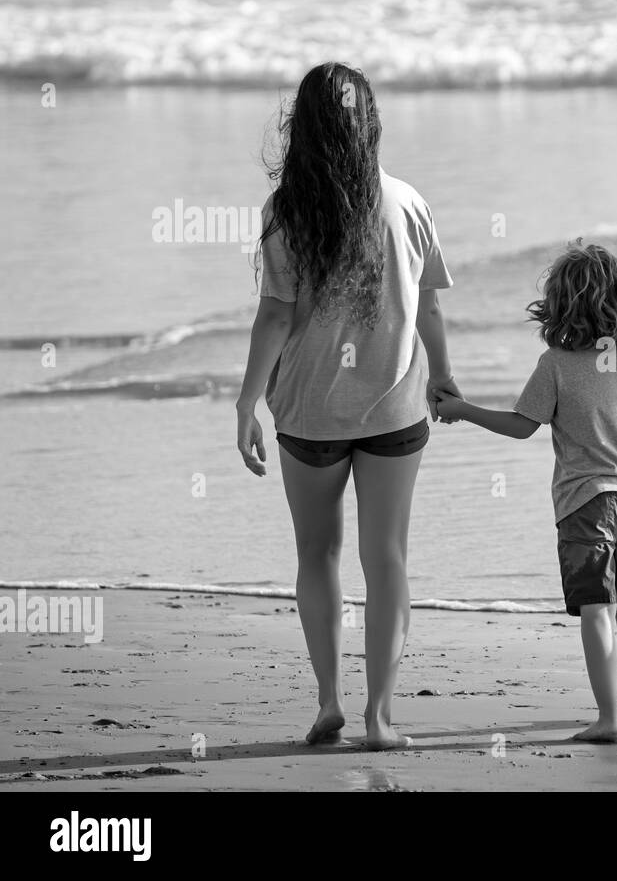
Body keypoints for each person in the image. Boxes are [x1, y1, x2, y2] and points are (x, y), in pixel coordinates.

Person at [235, 62, 460, 750]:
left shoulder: (287, 212)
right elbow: (426, 305)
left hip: (308, 412)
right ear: (372, 126)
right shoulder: (408, 203)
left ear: (304, 129)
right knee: (386, 555)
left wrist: (246, 404)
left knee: (317, 554)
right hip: (394, 410)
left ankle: (330, 700)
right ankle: (380, 716)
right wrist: (444, 378)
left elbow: (274, 317)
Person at [433, 242, 617, 742]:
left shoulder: (556, 363)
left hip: (585, 502)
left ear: (557, 306)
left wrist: (463, 409)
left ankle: (608, 719)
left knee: (595, 607)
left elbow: (521, 426)